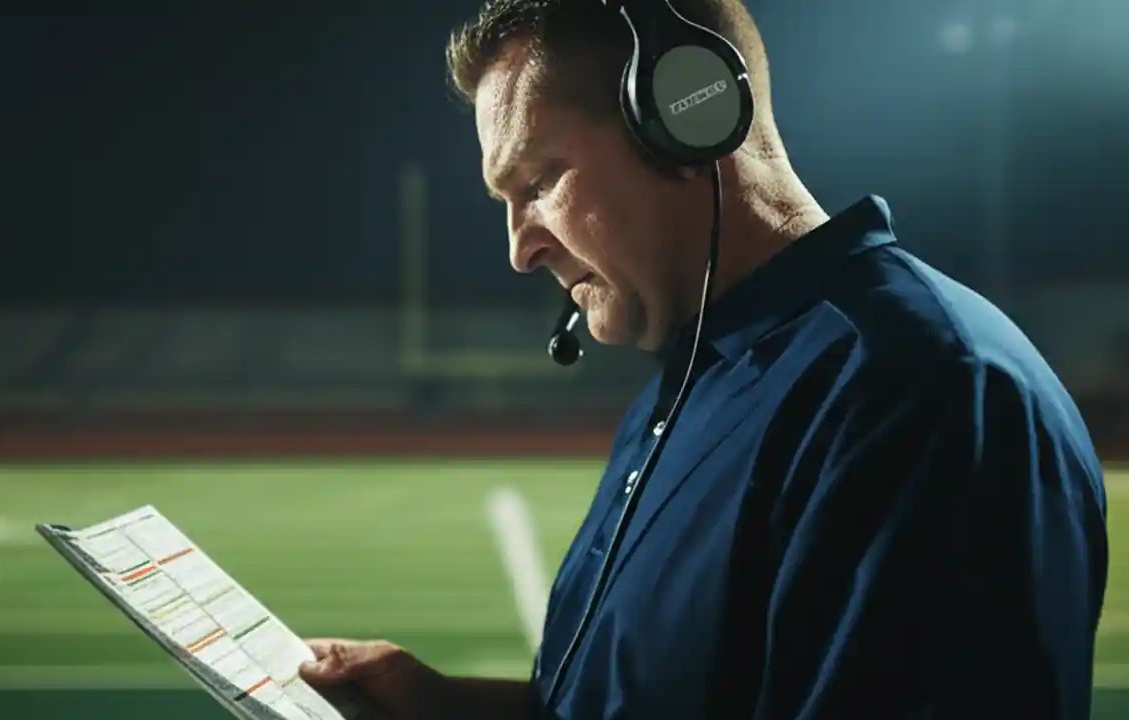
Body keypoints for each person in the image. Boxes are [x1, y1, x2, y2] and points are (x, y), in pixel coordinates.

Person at [299, 1, 1110, 718]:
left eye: (540, 180)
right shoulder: (705, 374)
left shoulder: (926, 391)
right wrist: (447, 713)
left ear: (687, 115)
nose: (520, 248)